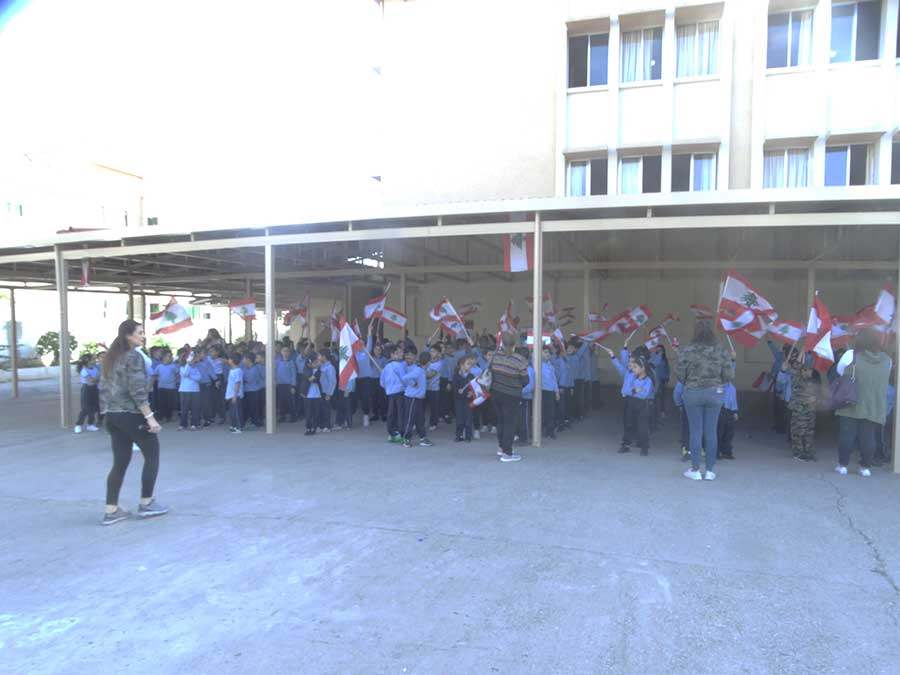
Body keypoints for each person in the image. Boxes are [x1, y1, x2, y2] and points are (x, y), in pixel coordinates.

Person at [98, 319, 167, 525]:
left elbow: (103, 389)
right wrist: (150, 417)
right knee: (152, 455)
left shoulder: (111, 358)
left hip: (113, 416)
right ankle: (146, 502)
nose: (143, 335)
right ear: (128, 335)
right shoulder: (133, 357)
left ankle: (111, 510)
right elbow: (137, 391)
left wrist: (107, 413)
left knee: (119, 463)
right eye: (140, 332)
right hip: (131, 415)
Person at [674, 320, 735, 481]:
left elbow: (679, 374)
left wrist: (690, 381)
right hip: (715, 393)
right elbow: (729, 375)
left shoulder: (687, 350)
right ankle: (709, 471)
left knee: (695, 432)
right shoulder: (721, 350)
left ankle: (694, 469)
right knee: (711, 431)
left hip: (692, 393)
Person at [834, 327, 892, 477]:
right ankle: (865, 468)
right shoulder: (887, 360)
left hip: (850, 402)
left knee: (847, 436)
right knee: (869, 438)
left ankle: (843, 466)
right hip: (874, 406)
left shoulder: (851, 355)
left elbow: (840, 371)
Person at [601, 344, 654, 456]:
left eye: (633, 364)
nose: (630, 365)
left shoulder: (646, 378)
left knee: (642, 425)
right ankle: (626, 444)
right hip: (630, 401)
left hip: (642, 404)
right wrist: (613, 356)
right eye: (630, 363)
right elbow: (630, 389)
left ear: (641, 366)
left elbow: (644, 393)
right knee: (628, 423)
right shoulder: (629, 373)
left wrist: (633, 391)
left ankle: (644, 446)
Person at [488, 332, 529, 462]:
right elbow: (525, 380)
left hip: (495, 393)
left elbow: (490, 372)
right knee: (510, 423)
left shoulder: (495, 357)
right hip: (512, 396)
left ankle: (501, 447)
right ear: (515, 344)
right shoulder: (520, 360)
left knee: (500, 421)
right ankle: (507, 453)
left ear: (502, 343)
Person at [784, 348, 817, 461]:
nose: (810, 372)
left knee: (809, 432)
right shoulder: (796, 378)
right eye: (808, 370)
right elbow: (795, 367)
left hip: (810, 410)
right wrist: (802, 351)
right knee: (798, 432)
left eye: (811, 370)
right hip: (799, 410)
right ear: (802, 370)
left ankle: (808, 452)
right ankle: (798, 453)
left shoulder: (811, 380)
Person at [401, 351, 433, 448]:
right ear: (428, 362)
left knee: (420, 419)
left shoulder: (421, 370)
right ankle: (405, 439)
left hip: (418, 398)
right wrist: (413, 383)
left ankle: (422, 438)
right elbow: (405, 377)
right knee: (410, 419)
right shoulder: (418, 370)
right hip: (412, 398)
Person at [380, 345, 407, 442]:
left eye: (401, 352)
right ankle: (401, 432)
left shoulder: (386, 367)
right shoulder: (399, 365)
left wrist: (389, 388)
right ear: (392, 354)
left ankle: (391, 432)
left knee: (391, 412)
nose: (401, 354)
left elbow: (382, 382)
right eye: (399, 353)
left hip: (390, 393)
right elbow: (405, 379)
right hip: (400, 392)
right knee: (401, 412)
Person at [74, 354, 101, 433]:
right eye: (93, 359)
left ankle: (90, 425)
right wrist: (98, 378)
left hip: (95, 389)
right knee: (85, 408)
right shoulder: (84, 370)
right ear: (88, 361)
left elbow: (95, 380)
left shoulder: (96, 368)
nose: (95, 360)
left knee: (93, 408)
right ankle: (78, 425)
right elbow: (90, 382)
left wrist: (96, 379)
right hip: (86, 390)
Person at [177, 351, 203, 430]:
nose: (192, 360)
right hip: (184, 390)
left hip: (195, 390)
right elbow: (185, 374)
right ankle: (183, 424)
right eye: (190, 358)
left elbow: (199, 378)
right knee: (184, 408)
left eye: (193, 358)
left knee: (195, 408)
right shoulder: (182, 367)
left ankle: (194, 424)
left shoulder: (197, 368)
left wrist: (190, 376)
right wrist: (188, 364)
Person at [453, 355, 476, 442]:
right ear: (462, 365)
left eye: (471, 364)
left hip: (468, 400)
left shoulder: (471, 376)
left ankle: (468, 436)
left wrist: (472, 393)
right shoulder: (456, 376)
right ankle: (459, 436)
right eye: (468, 364)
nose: (470, 366)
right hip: (459, 400)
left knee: (468, 419)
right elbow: (454, 387)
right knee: (459, 418)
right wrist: (457, 391)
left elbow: (474, 388)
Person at [540, 346, 560, 441]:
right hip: (542, 391)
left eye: (548, 353)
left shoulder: (550, 365)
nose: (547, 354)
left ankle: (550, 431)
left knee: (551, 412)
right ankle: (543, 430)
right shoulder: (538, 364)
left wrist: (556, 391)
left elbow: (554, 379)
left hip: (551, 391)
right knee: (543, 412)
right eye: (545, 352)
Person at [153, 351, 179, 423]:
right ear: (164, 357)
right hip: (161, 387)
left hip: (171, 387)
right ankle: (163, 417)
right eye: (169, 356)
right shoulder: (159, 366)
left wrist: (175, 382)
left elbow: (177, 375)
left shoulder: (173, 366)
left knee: (171, 403)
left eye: (171, 356)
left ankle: (170, 416)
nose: (171, 358)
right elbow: (155, 375)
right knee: (162, 403)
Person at [241, 352, 264, 429]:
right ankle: (250, 421)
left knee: (254, 408)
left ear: (248, 360)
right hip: (246, 390)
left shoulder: (256, 368)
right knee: (247, 407)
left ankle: (257, 423)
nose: (242, 361)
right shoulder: (244, 368)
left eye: (243, 359)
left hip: (255, 391)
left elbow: (250, 379)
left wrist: (242, 380)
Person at [275, 345, 298, 423]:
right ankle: (282, 416)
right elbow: (274, 372)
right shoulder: (277, 362)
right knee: (281, 401)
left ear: (289, 353)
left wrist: (293, 386)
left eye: (287, 351)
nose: (285, 353)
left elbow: (294, 374)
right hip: (280, 385)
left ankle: (293, 416)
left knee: (290, 401)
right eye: (284, 351)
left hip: (289, 385)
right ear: (281, 352)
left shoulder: (291, 362)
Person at [717, 381, 738, 460]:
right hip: (721, 410)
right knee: (719, 432)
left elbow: (734, 400)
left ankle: (726, 452)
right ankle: (717, 452)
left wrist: (735, 411)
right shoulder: (719, 385)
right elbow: (718, 397)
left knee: (729, 433)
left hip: (730, 411)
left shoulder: (732, 387)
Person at [318, 349, 337, 432]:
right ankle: (321, 425)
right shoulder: (321, 366)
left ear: (324, 357)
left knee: (326, 409)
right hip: (320, 391)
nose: (318, 357)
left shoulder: (330, 367)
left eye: (319, 356)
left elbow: (332, 381)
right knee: (321, 409)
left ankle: (327, 426)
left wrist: (329, 393)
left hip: (326, 392)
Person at [425, 346, 443, 431]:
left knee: (433, 408)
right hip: (424, 388)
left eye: (433, 351)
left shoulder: (439, 364)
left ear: (438, 354)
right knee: (421, 407)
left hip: (434, 389)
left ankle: (433, 423)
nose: (431, 353)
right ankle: (418, 423)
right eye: (430, 351)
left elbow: (429, 376)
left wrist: (423, 368)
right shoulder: (427, 362)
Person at [225, 353, 244, 433]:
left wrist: (235, 395)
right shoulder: (232, 370)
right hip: (230, 394)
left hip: (235, 395)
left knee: (236, 411)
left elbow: (237, 383)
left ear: (232, 360)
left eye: (229, 359)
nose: (228, 360)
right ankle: (233, 425)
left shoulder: (238, 371)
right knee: (232, 411)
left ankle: (238, 427)